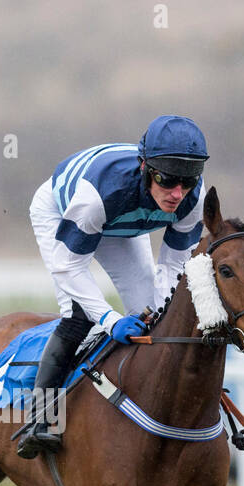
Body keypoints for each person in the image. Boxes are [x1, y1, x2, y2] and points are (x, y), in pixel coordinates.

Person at [17, 115, 209, 458]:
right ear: (144, 168)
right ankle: (40, 419)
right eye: (167, 180)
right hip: (66, 212)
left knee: (152, 317)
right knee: (79, 315)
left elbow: (175, 266)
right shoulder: (98, 196)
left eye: (188, 181)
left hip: (124, 223)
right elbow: (68, 266)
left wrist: (159, 310)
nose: (177, 193)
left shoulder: (194, 198)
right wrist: (108, 319)